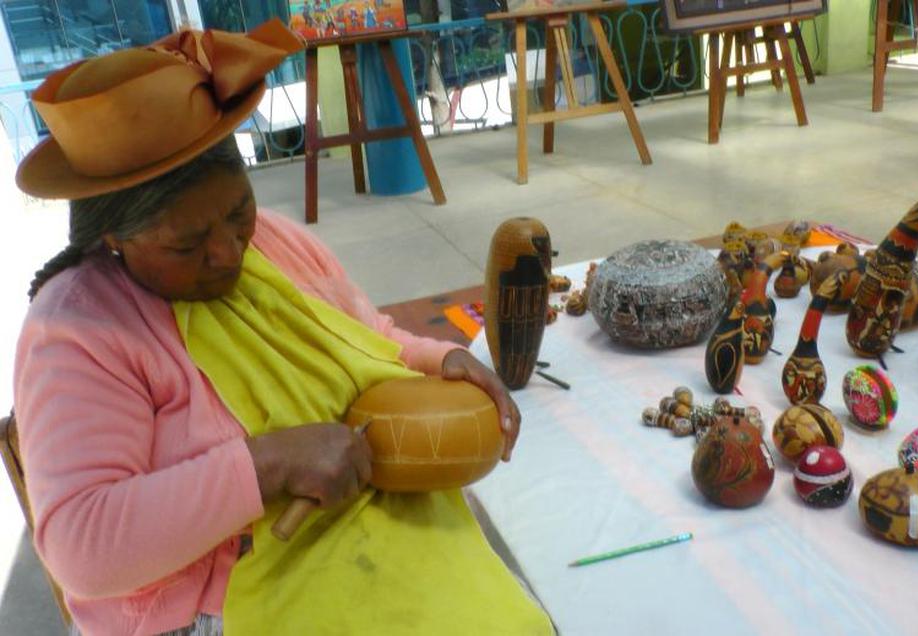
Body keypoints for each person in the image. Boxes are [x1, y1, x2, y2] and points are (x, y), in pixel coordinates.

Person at [14, 20, 552, 636]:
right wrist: (267, 465)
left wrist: (436, 359)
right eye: (188, 243)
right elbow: (85, 546)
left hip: (364, 532)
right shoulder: (78, 329)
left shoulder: (274, 240)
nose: (228, 252)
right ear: (112, 237)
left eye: (237, 211)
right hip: (213, 606)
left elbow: (361, 331)